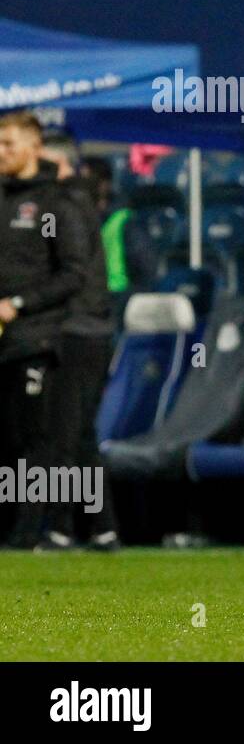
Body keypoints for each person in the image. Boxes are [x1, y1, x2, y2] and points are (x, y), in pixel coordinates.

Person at [0, 111, 90, 547]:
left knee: (35, 439)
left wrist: (18, 305)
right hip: (3, 342)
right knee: (9, 437)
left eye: (9, 144)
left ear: (35, 147)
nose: (1, 152)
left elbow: (74, 274)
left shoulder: (55, 203)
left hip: (37, 337)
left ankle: (30, 532)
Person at [32, 134, 121, 551]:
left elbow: (73, 277)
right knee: (80, 435)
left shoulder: (65, 206)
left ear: (63, 167)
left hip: (77, 330)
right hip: (87, 330)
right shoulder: (79, 203)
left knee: (64, 436)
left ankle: (61, 527)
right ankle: (102, 527)